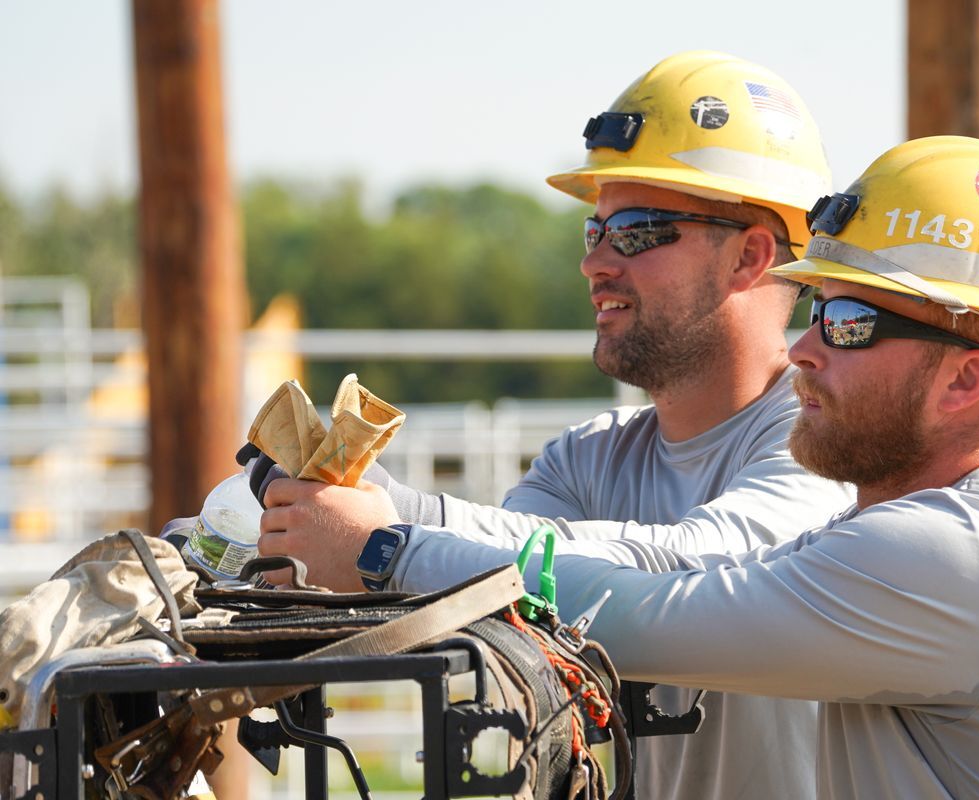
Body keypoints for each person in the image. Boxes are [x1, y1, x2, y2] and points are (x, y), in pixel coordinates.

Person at [340, 136, 979, 797]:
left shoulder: (951, 551)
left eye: (846, 322)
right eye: (814, 310)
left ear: (967, 377)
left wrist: (388, 549)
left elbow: (651, 611)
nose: (802, 348)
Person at [258, 51, 854, 800]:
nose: (595, 263)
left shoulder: (823, 447)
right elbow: (487, 588)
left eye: (634, 231)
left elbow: (700, 568)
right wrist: (326, 517)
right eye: (593, 231)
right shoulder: (584, 462)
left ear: (751, 256)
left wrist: (388, 535)